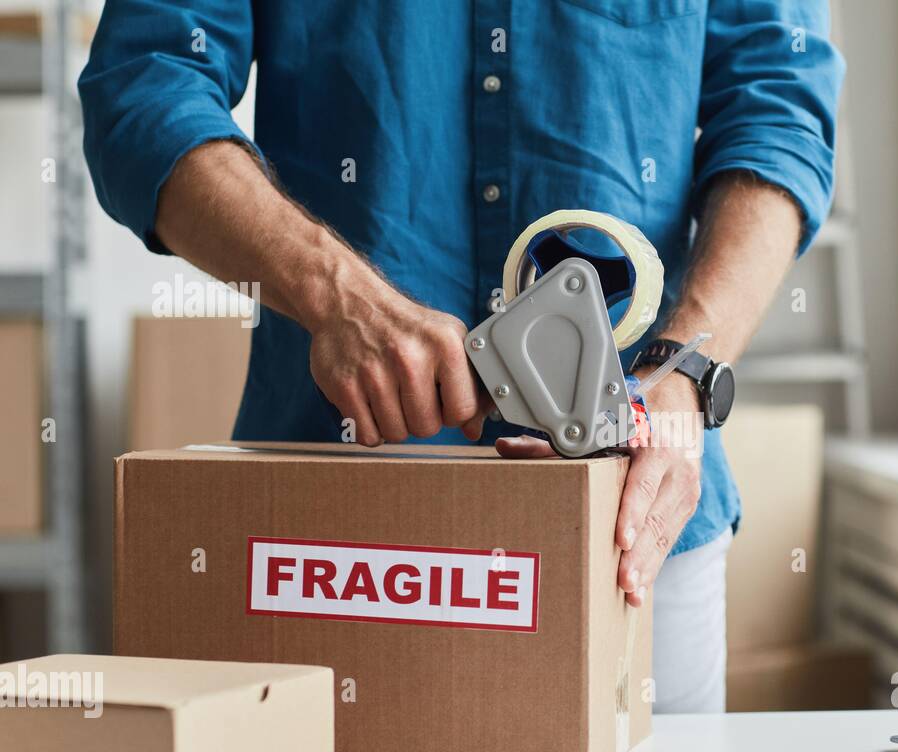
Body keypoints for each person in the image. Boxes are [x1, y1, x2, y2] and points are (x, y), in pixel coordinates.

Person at [79, 0, 842, 714]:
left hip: (633, 519)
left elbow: (778, 105)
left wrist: (683, 371)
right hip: (328, 541)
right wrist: (335, 293)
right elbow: (145, 81)